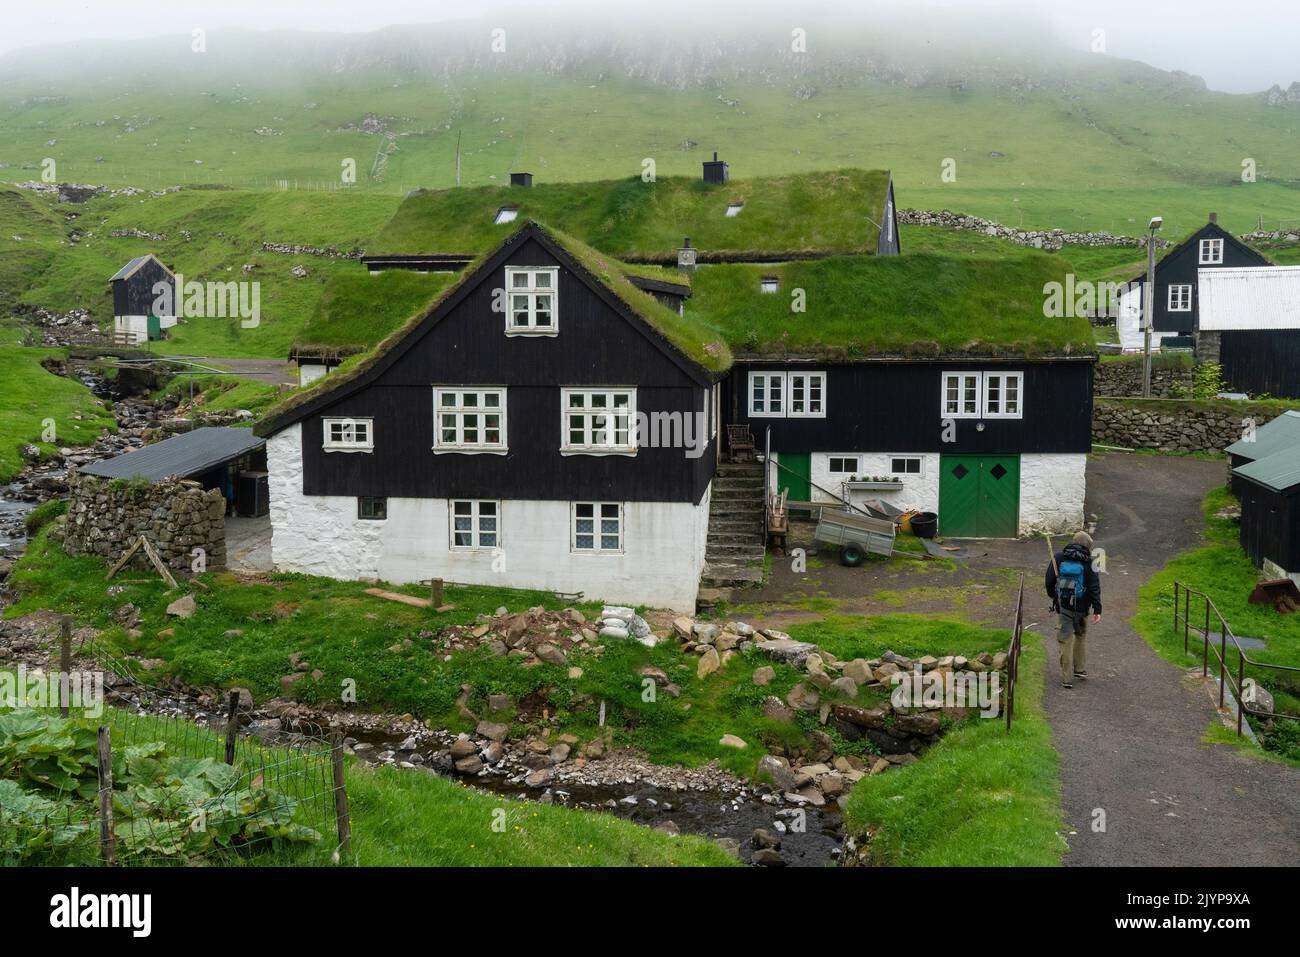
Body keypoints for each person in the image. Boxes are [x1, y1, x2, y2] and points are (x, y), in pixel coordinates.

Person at [1045, 531, 1102, 689]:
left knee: (1066, 639)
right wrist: (1097, 609)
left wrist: (1054, 596)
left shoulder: (1059, 557)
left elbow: (1049, 580)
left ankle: (1066, 678)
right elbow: (1094, 587)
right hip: (1082, 608)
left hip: (1064, 606)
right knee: (1080, 636)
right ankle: (1080, 670)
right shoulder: (1089, 561)